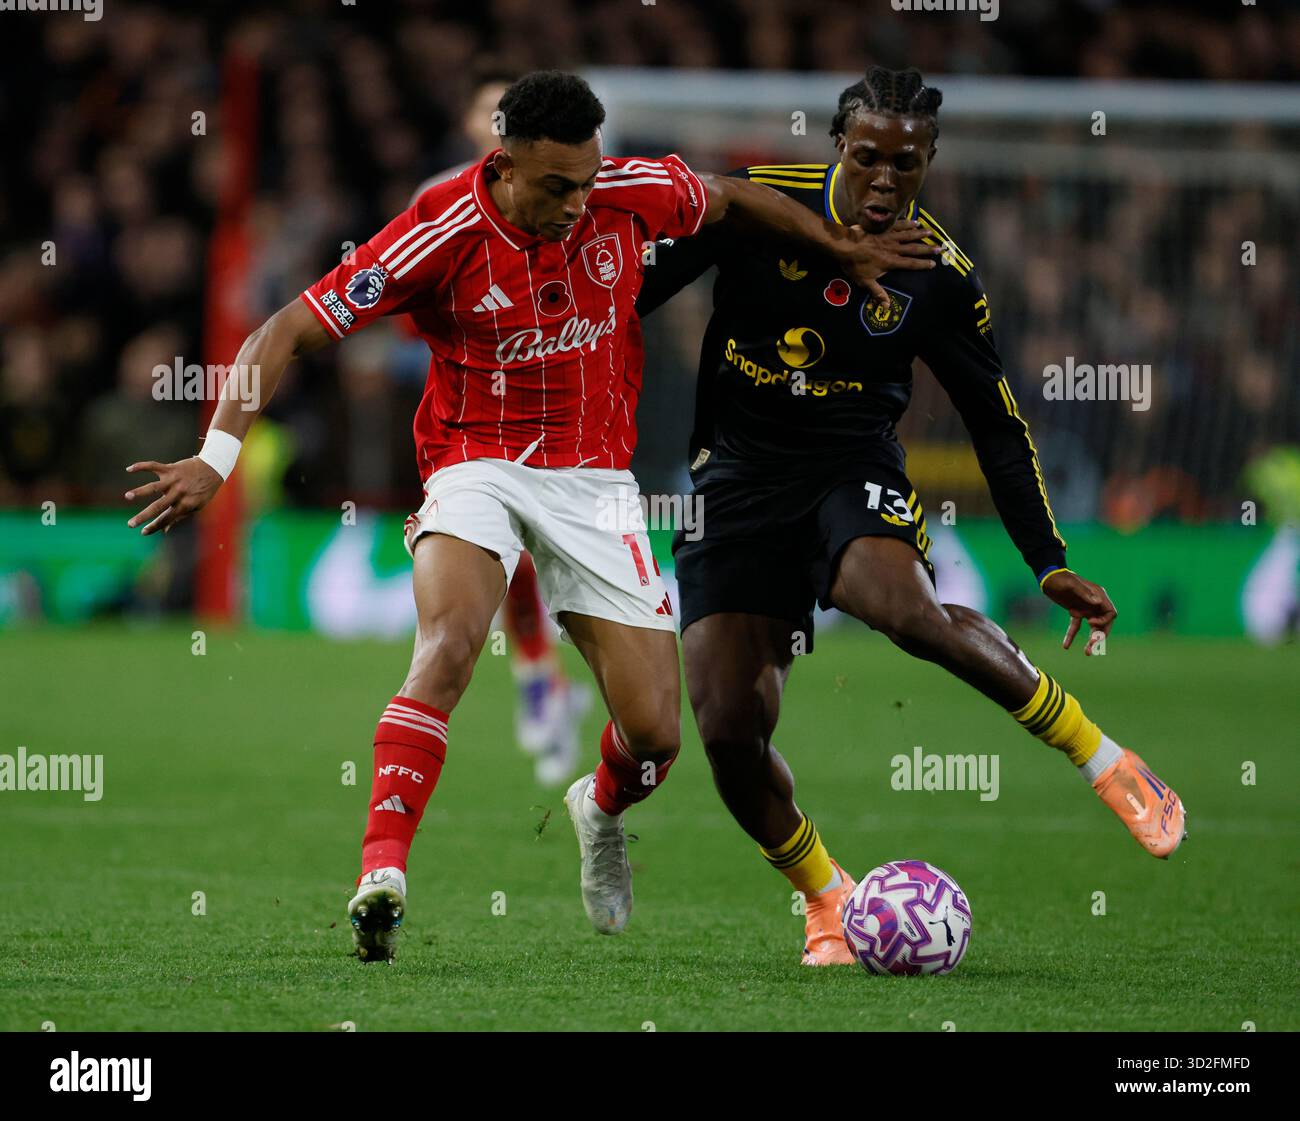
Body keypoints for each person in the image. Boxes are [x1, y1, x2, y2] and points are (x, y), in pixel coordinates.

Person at [123, 70, 939, 961]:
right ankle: (382, 872)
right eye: (557, 187)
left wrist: (838, 249)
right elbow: (282, 329)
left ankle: (601, 803)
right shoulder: (440, 230)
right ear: (503, 165)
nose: (577, 203)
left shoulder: (630, 192)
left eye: (587, 181)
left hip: (592, 484)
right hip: (477, 461)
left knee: (658, 736)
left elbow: (735, 200)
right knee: (447, 647)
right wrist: (216, 454)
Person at [634, 66, 1186, 966]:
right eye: (869, 158)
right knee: (730, 728)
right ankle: (826, 902)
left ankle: (1106, 759)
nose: (886, 181)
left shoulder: (940, 276)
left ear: (929, 162)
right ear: (837, 146)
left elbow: (996, 423)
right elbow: (629, 293)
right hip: (734, 483)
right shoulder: (756, 211)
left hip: (851, 470)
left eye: (907, 165)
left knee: (904, 610)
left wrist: (1045, 556)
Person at [410, 69, 593, 787]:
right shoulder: (440, 202)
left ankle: (548, 684)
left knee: (546, 561)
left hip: (561, 417)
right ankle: (541, 683)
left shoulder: (566, 198)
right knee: (497, 556)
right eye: (483, 110)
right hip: (469, 415)